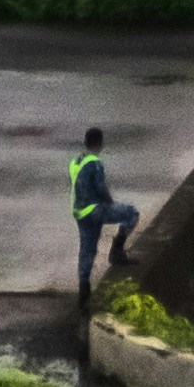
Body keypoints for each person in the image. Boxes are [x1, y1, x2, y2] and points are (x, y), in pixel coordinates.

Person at [71, 126, 138, 306]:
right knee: (131, 214)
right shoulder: (95, 162)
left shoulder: (76, 161)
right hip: (96, 210)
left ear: (85, 142)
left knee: (87, 249)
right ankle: (116, 251)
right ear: (100, 143)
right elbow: (100, 188)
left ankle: (83, 290)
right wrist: (110, 202)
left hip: (80, 212)